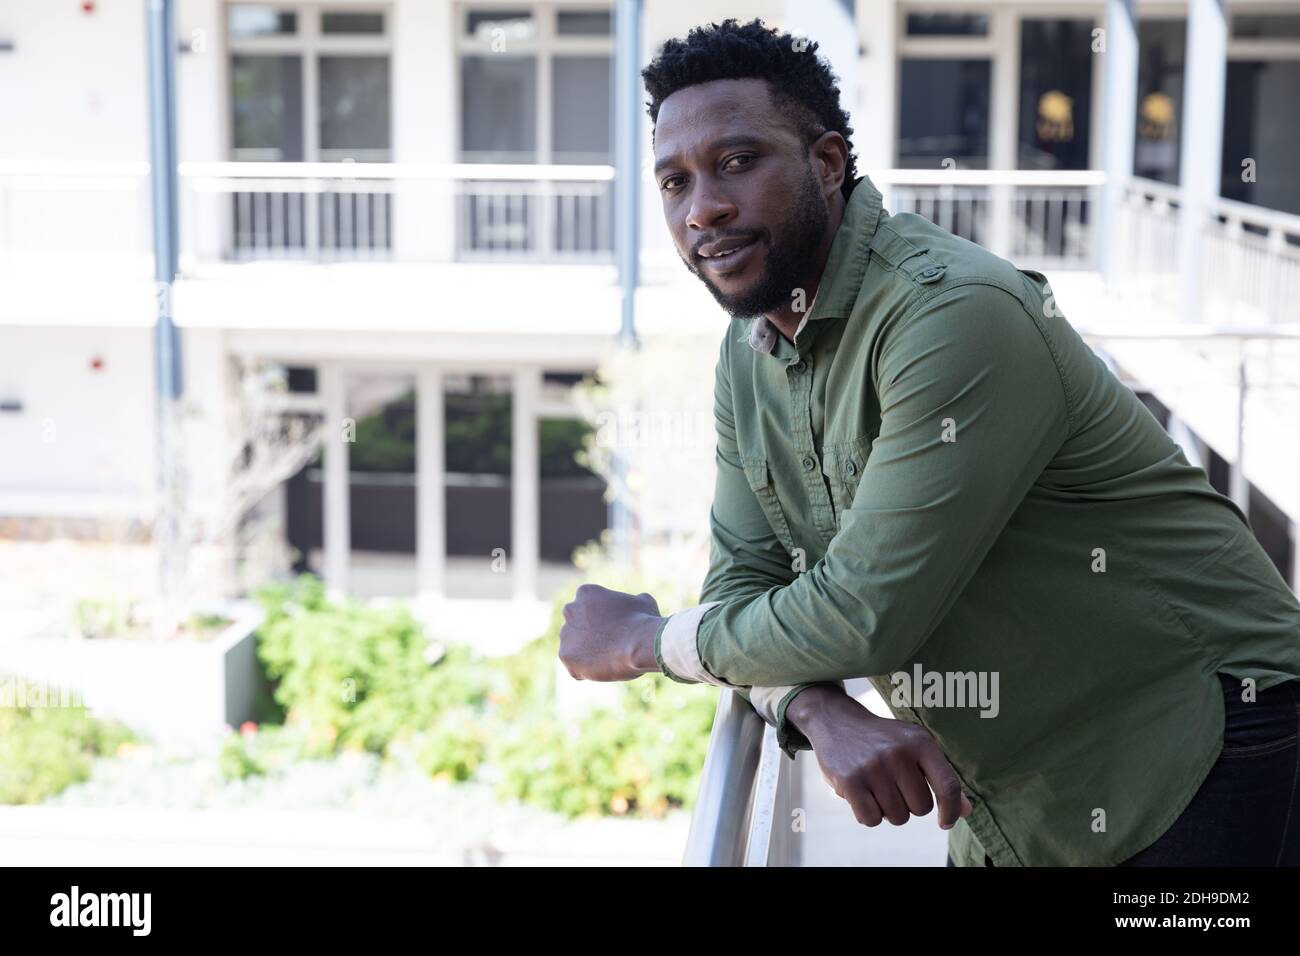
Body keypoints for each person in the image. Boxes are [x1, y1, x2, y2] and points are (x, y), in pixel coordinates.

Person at [558, 17, 1300, 866]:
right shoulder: (750, 350)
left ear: (828, 163)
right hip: (1015, 794)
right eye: (673, 181)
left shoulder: (951, 315)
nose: (703, 208)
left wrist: (644, 642)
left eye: (736, 163)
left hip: (1208, 743)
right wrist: (811, 708)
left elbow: (862, 611)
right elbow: (745, 582)